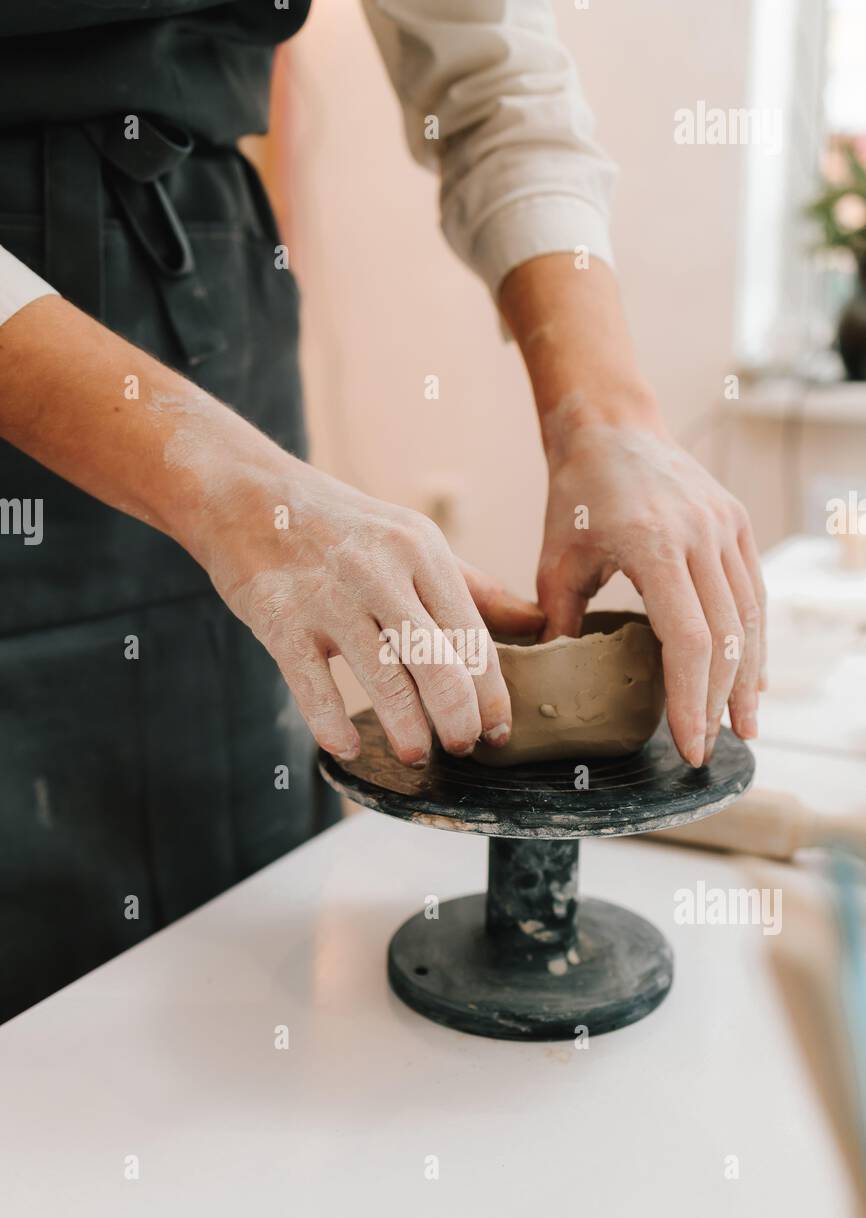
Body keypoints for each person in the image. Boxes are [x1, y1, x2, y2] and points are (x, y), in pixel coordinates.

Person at [0, 0, 765, 1024]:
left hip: (201, 263)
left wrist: (605, 413)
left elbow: (486, 67)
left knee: (227, 915)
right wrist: (226, 482)